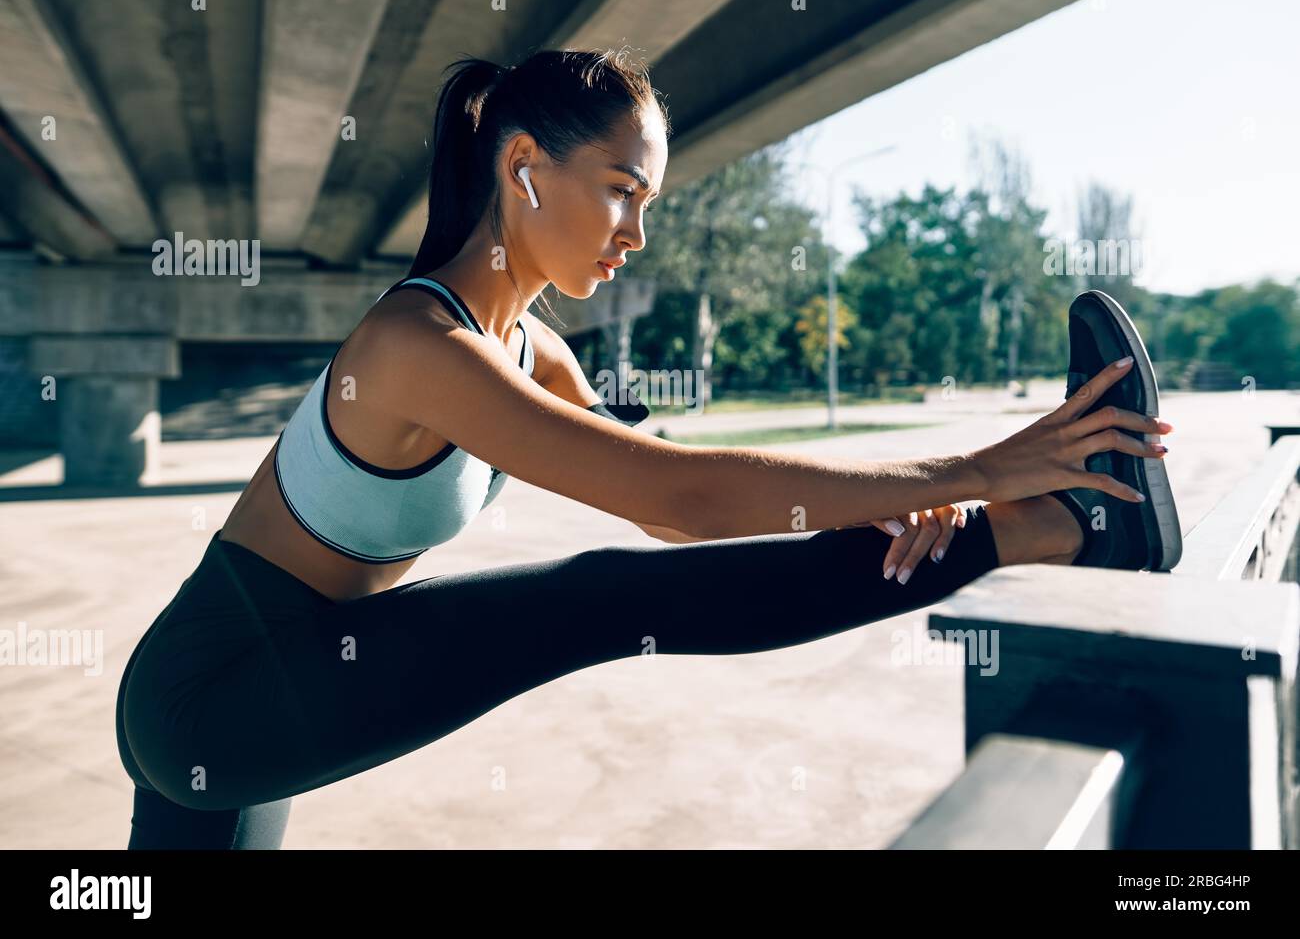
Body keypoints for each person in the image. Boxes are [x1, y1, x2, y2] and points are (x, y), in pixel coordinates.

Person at [115, 47, 1177, 849]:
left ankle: (1048, 526)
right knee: (591, 600)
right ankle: (1058, 527)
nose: (636, 233)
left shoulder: (526, 346)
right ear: (523, 166)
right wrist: (984, 471)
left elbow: (674, 502)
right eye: (622, 190)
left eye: (649, 202)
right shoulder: (416, 344)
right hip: (218, 687)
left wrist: (880, 496)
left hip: (275, 683)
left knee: (604, 591)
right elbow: (684, 496)